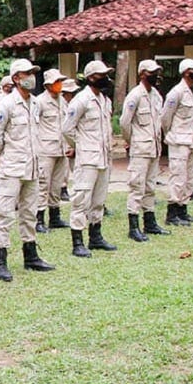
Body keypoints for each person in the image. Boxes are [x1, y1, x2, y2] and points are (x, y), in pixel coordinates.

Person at [0, 59, 55, 280]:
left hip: (33, 167)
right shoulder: (6, 104)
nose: (31, 77)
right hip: (12, 167)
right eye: (27, 74)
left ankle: (31, 256)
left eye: (33, 73)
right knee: (5, 213)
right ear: (16, 78)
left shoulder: (35, 104)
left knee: (30, 213)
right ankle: (1, 261)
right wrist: (6, 156)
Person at [62, 60, 117, 258]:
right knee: (81, 198)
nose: (105, 79)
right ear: (91, 78)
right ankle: (77, 241)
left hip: (103, 157)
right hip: (87, 158)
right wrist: (81, 146)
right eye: (101, 75)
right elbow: (67, 128)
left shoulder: (104, 100)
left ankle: (96, 236)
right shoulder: (81, 100)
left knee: (99, 199)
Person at [121, 59, 169, 242]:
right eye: (151, 72)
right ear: (142, 74)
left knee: (150, 186)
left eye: (156, 72)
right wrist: (131, 141)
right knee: (136, 186)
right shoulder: (135, 96)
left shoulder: (156, 95)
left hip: (154, 147)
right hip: (140, 148)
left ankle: (150, 222)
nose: (155, 75)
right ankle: (134, 226)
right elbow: (125, 123)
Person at [161, 58, 193, 226]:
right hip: (179, 139)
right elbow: (165, 117)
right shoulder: (176, 92)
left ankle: (183, 209)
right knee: (178, 176)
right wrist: (170, 133)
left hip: (192, 139)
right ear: (186, 72)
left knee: (189, 177)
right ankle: (172, 213)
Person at [35, 68, 70, 233]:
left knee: (57, 185)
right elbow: (33, 125)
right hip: (45, 150)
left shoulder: (63, 101)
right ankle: (39, 218)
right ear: (48, 85)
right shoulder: (39, 102)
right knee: (43, 184)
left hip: (61, 149)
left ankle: (55, 216)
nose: (59, 85)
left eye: (60, 81)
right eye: (56, 82)